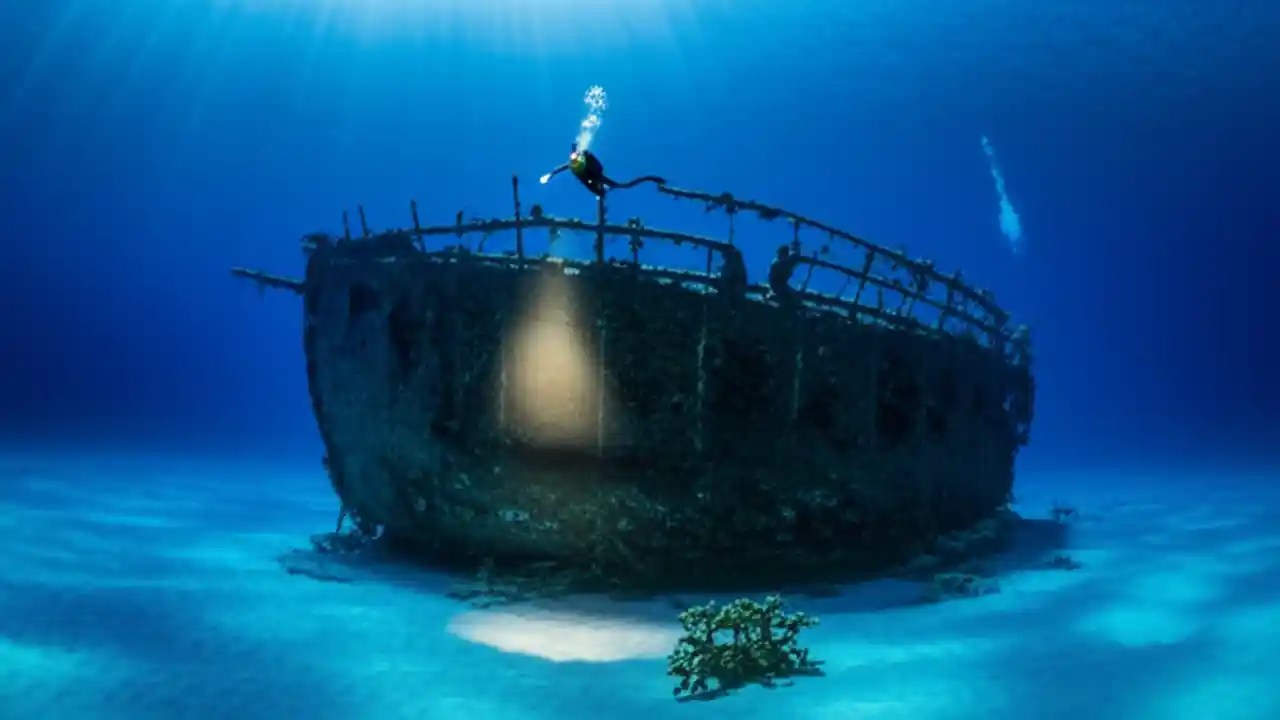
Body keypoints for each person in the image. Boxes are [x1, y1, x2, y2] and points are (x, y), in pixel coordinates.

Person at [541, 143, 666, 197]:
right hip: (589, 178)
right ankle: (603, 192)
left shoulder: (583, 157)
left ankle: (652, 179)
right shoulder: (571, 164)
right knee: (603, 191)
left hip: (594, 175)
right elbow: (558, 169)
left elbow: (558, 170)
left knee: (619, 186)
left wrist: (550, 175)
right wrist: (549, 175)